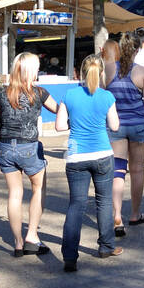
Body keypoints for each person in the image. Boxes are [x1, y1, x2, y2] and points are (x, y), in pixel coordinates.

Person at [55, 54, 122, 271]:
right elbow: (114, 126)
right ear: (101, 73)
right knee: (104, 202)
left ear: (80, 73)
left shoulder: (69, 95)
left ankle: (70, 257)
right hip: (102, 154)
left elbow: (59, 127)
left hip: (76, 157)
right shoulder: (107, 96)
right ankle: (106, 246)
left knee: (77, 204)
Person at [0, 52, 61, 256]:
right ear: (31, 70)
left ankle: (18, 243)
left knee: (14, 194)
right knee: (38, 188)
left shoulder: (3, 93)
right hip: (29, 147)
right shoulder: (39, 93)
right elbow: (58, 109)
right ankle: (32, 235)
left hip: (6, 148)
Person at [105, 32, 144, 236]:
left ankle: (116, 215)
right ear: (137, 50)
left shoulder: (108, 69)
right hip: (139, 124)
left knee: (118, 170)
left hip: (115, 126)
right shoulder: (142, 72)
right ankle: (135, 213)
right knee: (138, 170)